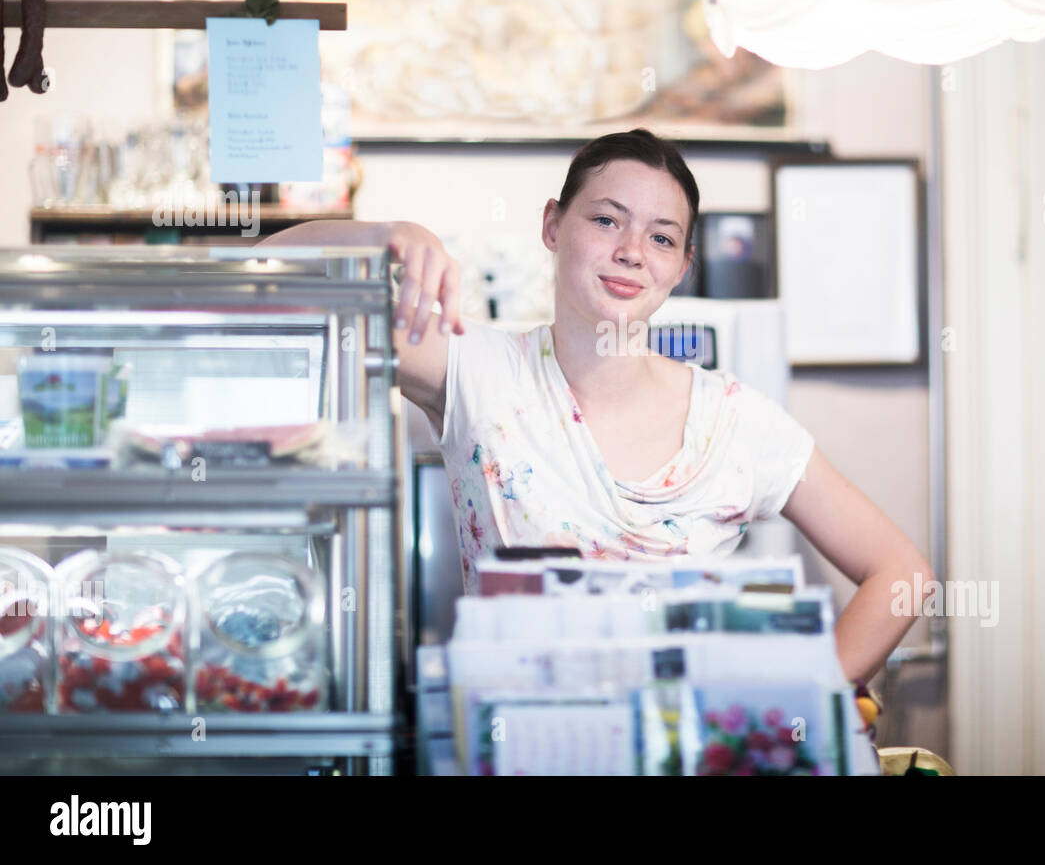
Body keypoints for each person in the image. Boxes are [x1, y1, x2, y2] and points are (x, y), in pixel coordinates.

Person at [259, 128, 933, 684]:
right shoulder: (475, 367)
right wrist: (384, 234)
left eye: (662, 238)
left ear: (683, 266)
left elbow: (901, 573)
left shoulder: (734, 420)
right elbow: (259, 282)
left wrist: (814, 698)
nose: (631, 252)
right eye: (607, 219)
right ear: (553, 225)